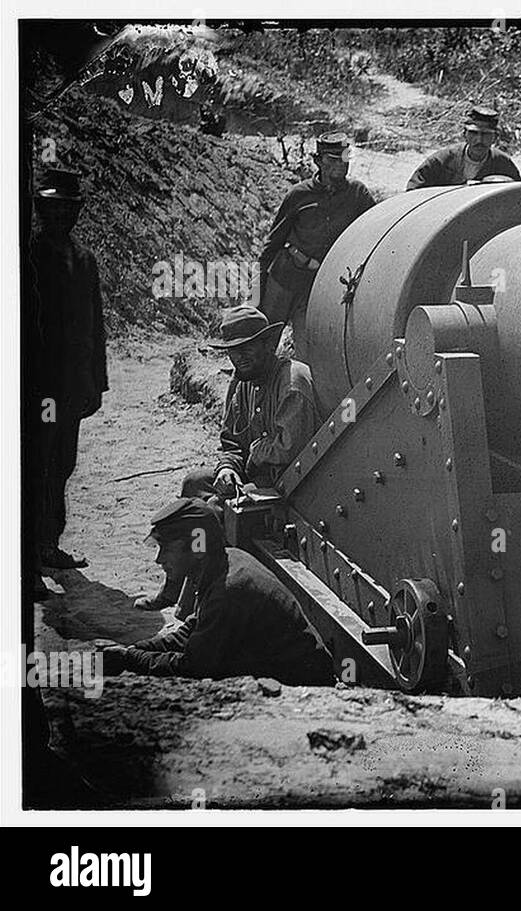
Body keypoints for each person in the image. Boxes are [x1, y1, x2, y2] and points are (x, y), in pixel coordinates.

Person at [134, 304, 319, 612]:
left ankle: (196, 603)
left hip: (289, 487)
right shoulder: (242, 381)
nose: (239, 357)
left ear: (267, 344)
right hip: (252, 477)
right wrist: (226, 470)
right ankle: (175, 585)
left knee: (210, 513)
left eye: (247, 348)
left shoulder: (292, 382)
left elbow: (290, 452)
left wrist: (255, 454)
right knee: (194, 483)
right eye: (232, 350)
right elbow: (230, 442)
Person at [103, 498, 335, 685]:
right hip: (292, 670)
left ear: (197, 545)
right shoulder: (226, 561)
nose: (159, 559)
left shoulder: (229, 590)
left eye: (167, 548)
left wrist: (129, 659)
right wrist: (136, 649)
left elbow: (193, 667)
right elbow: (193, 630)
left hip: (303, 687)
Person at [27, 168, 108, 585]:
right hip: (40, 388)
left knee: (62, 463)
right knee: (37, 463)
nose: (59, 216)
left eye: (66, 209)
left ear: (77, 212)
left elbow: (95, 324)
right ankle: (27, 562)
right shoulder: (28, 255)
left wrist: (97, 381)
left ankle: (49, 544)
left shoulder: (84, 260)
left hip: (72, 386)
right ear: (40, 210)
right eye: (51, 208)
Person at [259, 132, 374, 337]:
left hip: (321, 286)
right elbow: (272, 244)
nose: (340, 164)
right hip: (286, 277)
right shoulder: (299, 195)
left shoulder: (357, 194)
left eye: (344, 158)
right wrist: (254, 294)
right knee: (264, 338)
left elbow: (377, 230)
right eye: (332, 159)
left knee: (310, 345)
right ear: (318, 161)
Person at [406, 106, 521, 190]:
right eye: (473, 133)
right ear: (464, 134)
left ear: (495, 138)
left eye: (486, 134)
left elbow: (519, 196)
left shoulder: (502, 163)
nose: (479, 140)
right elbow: (414, 190)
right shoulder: (443, 159)